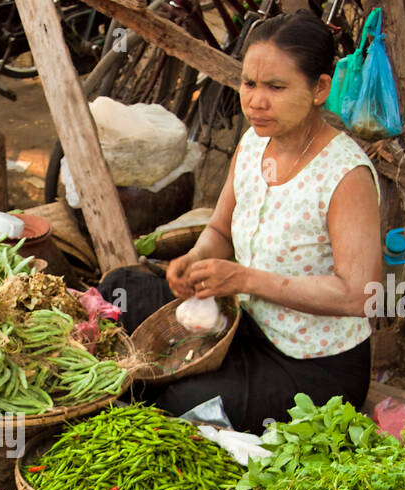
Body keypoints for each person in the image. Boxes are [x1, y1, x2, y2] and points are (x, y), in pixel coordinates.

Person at [102, 10, 382, 434]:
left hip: (309, 367)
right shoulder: (254, 143)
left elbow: (359, 295)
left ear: (319, 89)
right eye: (249, 83)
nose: (255, 100)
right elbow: (218, 230)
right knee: (119, 289)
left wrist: (244, 279)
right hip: (241, 324)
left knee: (178, 405)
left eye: (276, 87)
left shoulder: (346, 175)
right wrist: (192, 264)